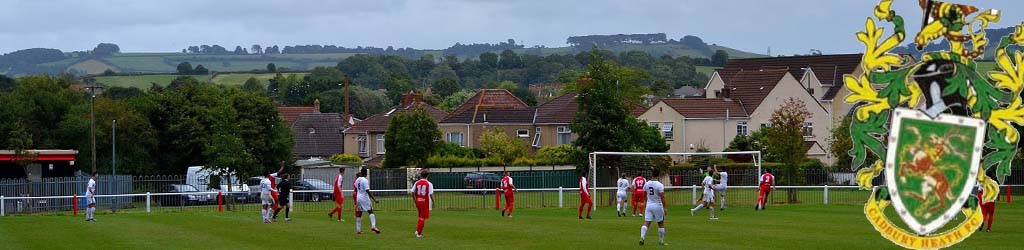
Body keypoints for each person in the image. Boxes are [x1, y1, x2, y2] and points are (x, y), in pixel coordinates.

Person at [639, 168, 667, 246]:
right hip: (657, 205)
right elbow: (662, 197)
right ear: (658, 175)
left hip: (649, 205)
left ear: (652, 174)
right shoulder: (660, 185)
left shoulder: (646, 184)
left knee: (646, 222)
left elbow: (644, 195)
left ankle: (642, 237)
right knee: (660, 223)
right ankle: (661, 241)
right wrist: (665, 208)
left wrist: (647, 202)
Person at [354, 168, 381, 234]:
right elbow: (367, 191)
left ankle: (358, 230)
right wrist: (374, 199)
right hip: (364, 198)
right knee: (370, 211)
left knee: (359, 213)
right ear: (366, 173)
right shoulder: (365, 180)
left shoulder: (357, 180)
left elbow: (355, 188)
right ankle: (373, 226)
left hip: (358, 198)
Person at [410, 170, 435, 238]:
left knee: (420, 217)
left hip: (418, 201)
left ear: (421, 175)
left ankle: (417, 230)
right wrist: (433, 202)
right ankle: (419, 234)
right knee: (422, 218)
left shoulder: (417, 182)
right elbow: (431, 194)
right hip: (424, 202)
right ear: (428, 175)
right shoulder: (429, 184)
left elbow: (412, 192)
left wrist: (415, 200)